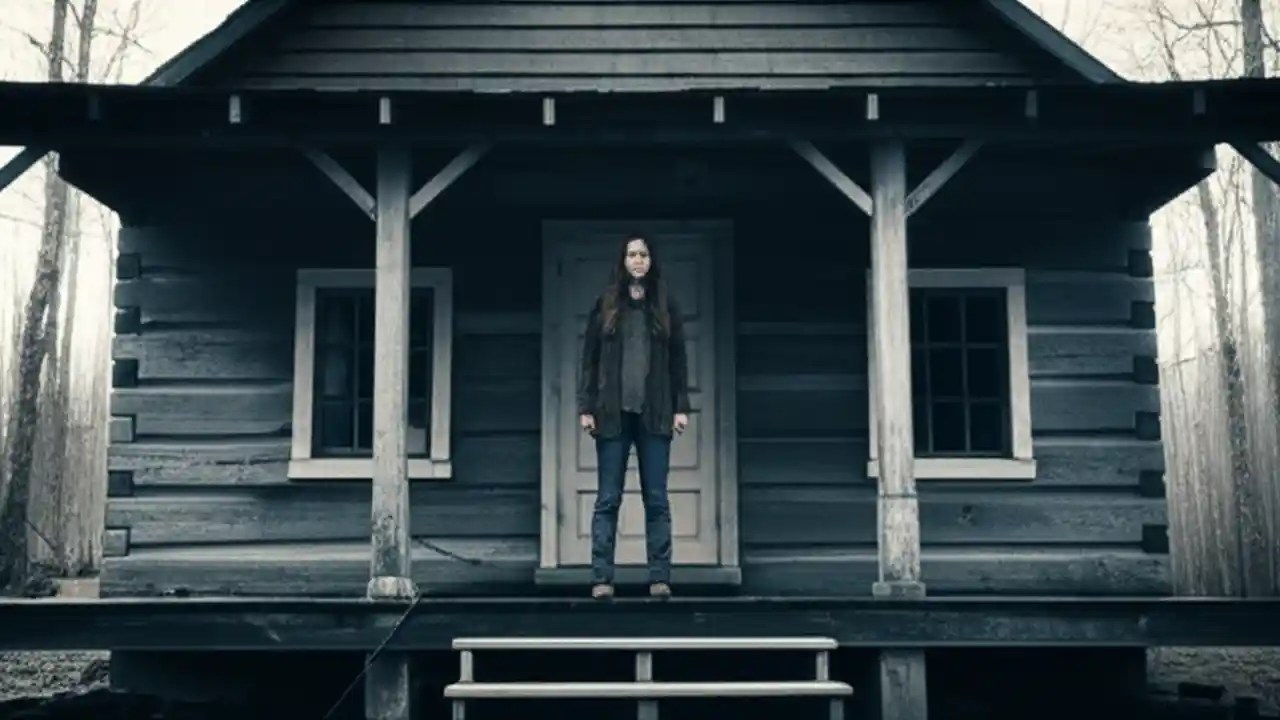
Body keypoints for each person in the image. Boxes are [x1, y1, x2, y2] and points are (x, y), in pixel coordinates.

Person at [577, 233, 691, 601]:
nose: (638, 260)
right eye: (631, 254)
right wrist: (585, 406)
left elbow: (678, 361)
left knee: (656, 498)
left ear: (651, 260)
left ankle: (660, 578)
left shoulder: (665, 305)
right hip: (611, 414)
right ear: (623, 261)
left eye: (643, 254)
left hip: (654, 414)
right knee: (608, 498)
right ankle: (602, 578)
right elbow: (589, 358)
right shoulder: (607, 304)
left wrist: (680, 407)